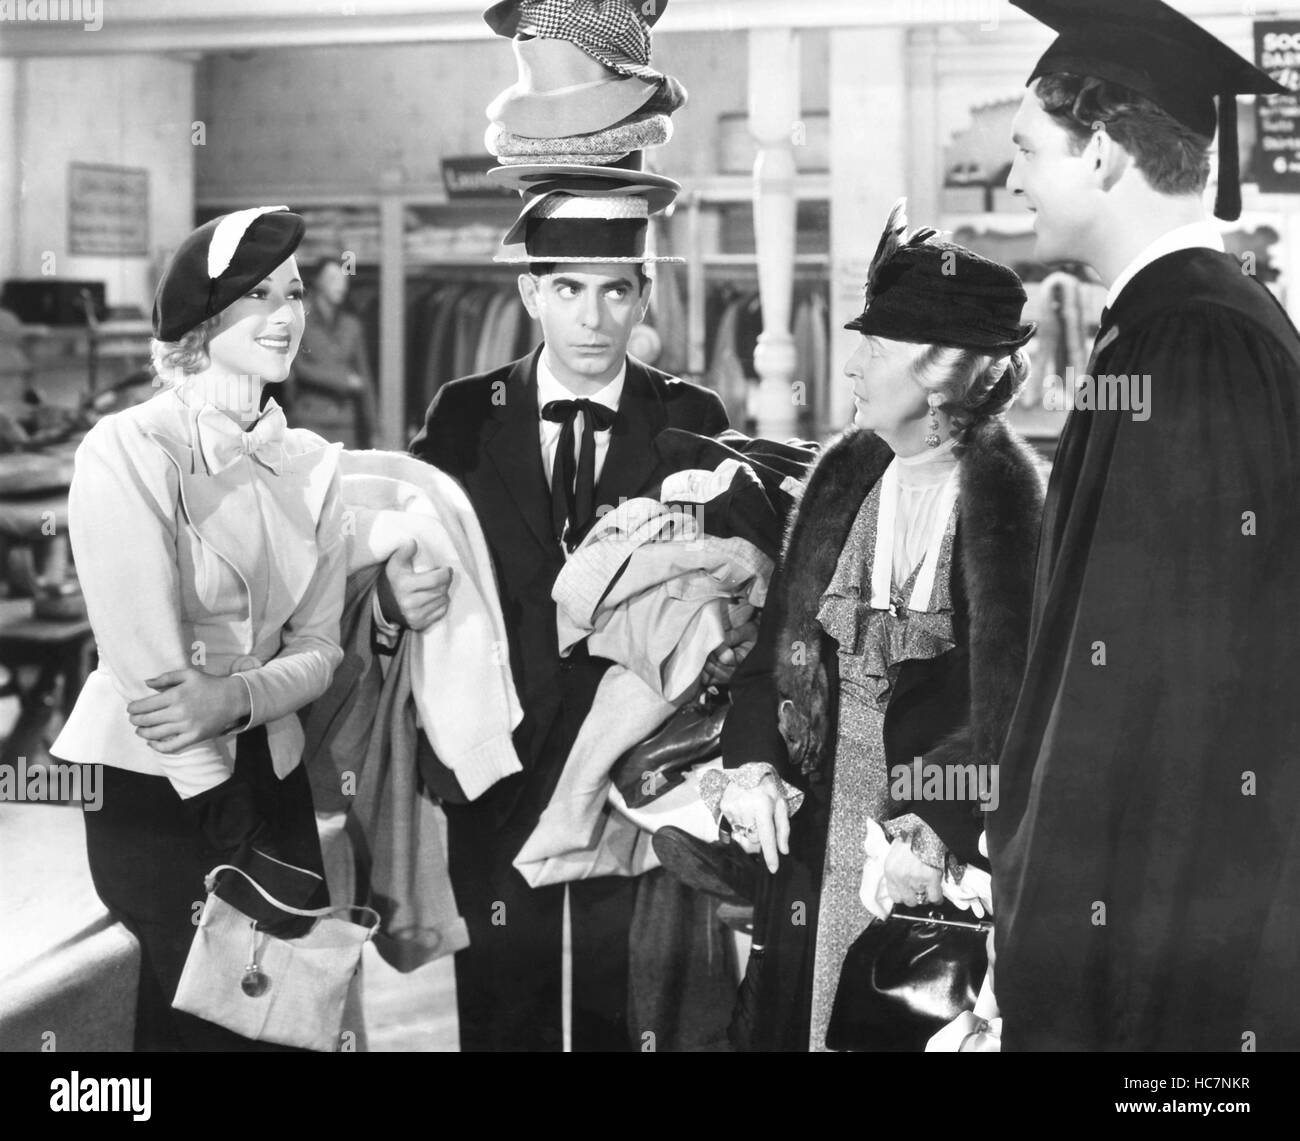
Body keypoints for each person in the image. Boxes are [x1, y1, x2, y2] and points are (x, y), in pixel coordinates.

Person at [988, 0, 1300, 1051]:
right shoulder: (1179, 324)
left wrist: (1058, 916)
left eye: (1028, 148)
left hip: (1168, 926)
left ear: (1109, 152)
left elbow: (1148, 692)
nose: (1013, 177)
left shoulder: (1188, 344)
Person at [381, 172, 735, 1051]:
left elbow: (720, 592)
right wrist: (394, 597)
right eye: (569, 289)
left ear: (644, 295)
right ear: (531, 292)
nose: (592, 318)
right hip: (495, 753)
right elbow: (411, 551)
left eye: (616, 290)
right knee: (504, 1006)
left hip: (633, 760)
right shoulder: (464, 414)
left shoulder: (691, 417)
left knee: (631, 998)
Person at [713, 201, 1045, 1052]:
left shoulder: (1013, 507)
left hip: (925, 851)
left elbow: (1015, 713)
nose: (853, 366)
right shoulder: (846, 473)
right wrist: (753, 761)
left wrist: (926, 829)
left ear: (943, 373)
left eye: (878, 348)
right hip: (816, 834)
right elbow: (772, 659)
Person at [51, 207, 348, 1051]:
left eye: (293, 291)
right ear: (201, 320)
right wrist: (231, 821)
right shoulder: (128, 447)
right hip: (158, 787)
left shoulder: (314, 464)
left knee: (285, 1018)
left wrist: (239, 697)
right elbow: (153, 675)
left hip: (270, 769)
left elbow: (322, 649)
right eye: (259, 294)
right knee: (219, 1024)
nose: (287, 313)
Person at [288, 256, 377, 448]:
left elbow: (365, 379)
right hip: (310, 421)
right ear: (319, 282)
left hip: (345, 423)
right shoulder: (300, 322)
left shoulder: (352, 326)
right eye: (334, 279)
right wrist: (343, 381)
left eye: (344, 280)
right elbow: (297, 368)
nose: (341, 286)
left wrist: (374, 427)